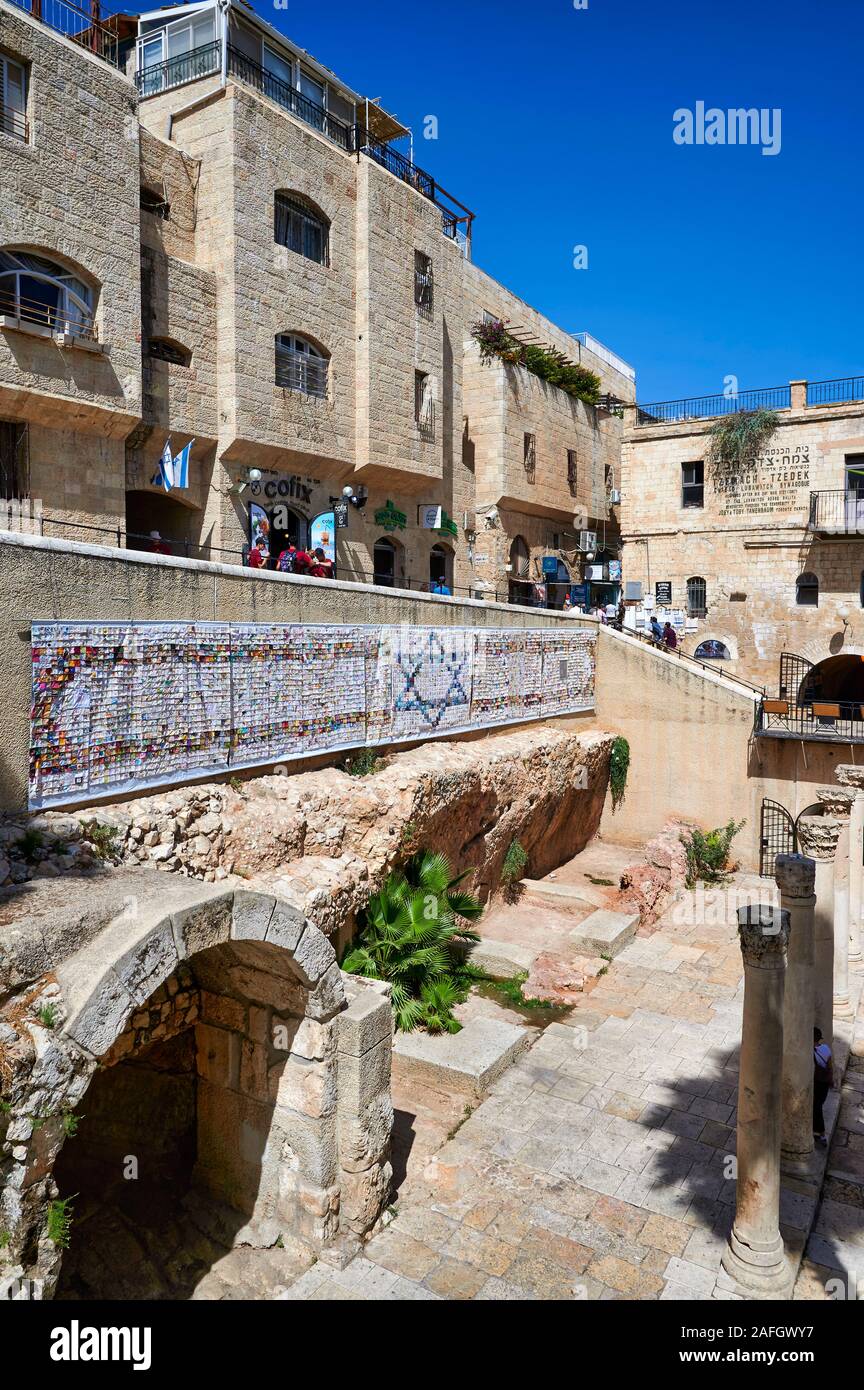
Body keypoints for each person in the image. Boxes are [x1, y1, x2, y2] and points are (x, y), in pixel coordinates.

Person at [813, 1026, 833, 1147]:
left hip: (817, 1082)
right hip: (825, 1082)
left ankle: (822, 1134)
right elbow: (830, 1066)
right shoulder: (826, 1048)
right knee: (818, 1106)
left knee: (817, 1108)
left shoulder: (811, 1051)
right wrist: (831, 1079)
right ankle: (818, 1132)